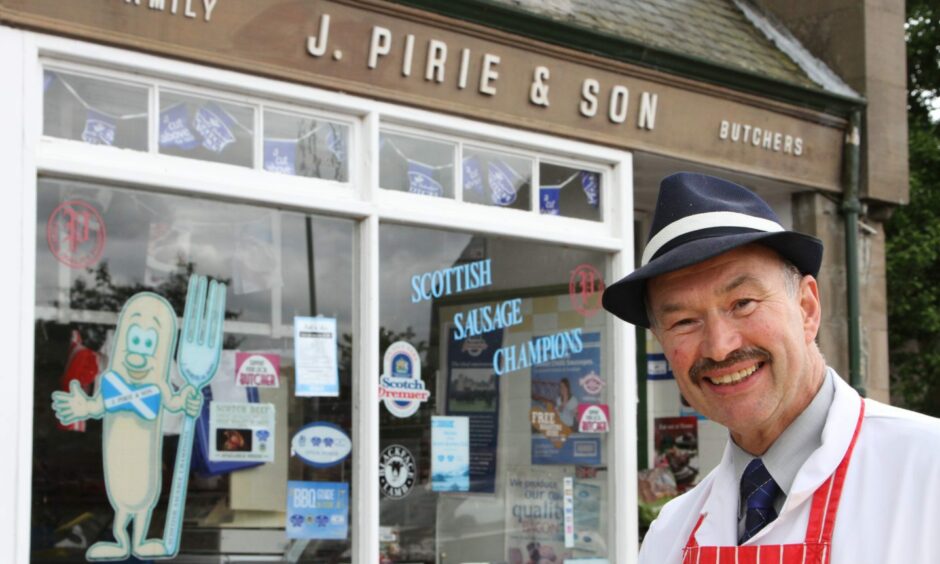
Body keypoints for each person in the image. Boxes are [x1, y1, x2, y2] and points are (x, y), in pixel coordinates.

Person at [602, 172, 940, 563]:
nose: (719, 346)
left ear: (807, 308)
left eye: (743, 303)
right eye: (683, 322)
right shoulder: (670, 534)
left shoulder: (929, 471)